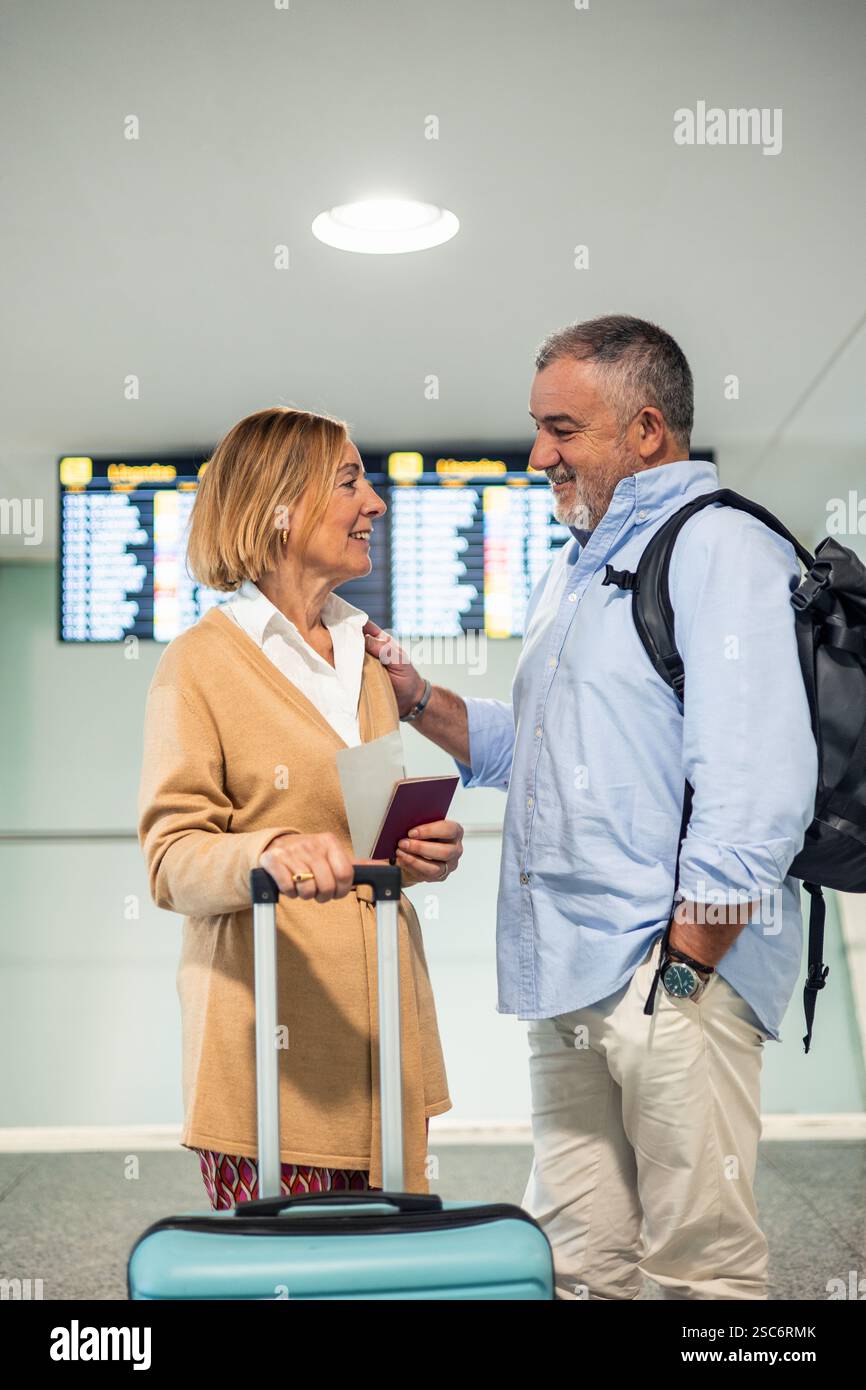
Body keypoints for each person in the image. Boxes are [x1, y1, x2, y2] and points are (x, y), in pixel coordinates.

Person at [366, 315, 817, 1299]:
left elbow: (756, 782)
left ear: (646, 429)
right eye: (538, 428)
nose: (538, 454)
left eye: (561, 429)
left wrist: (684, 974)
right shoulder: (571, 572)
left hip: (670, 978)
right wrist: (415, 695)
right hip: (567, 985)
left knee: (700, 1272)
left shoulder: (722, 546)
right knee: (575, 1268)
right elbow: (523, 747)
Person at [138, 406, 463, 1207]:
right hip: (271, 1053)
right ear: (279, 506)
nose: (375, 503)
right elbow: (172, 858)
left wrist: (420, 856)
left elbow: (370, 842)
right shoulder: (200, 664)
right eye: (350, 480)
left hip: (384, 1040)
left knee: (383, 1280)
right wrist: (268, 851)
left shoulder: (368, 659)